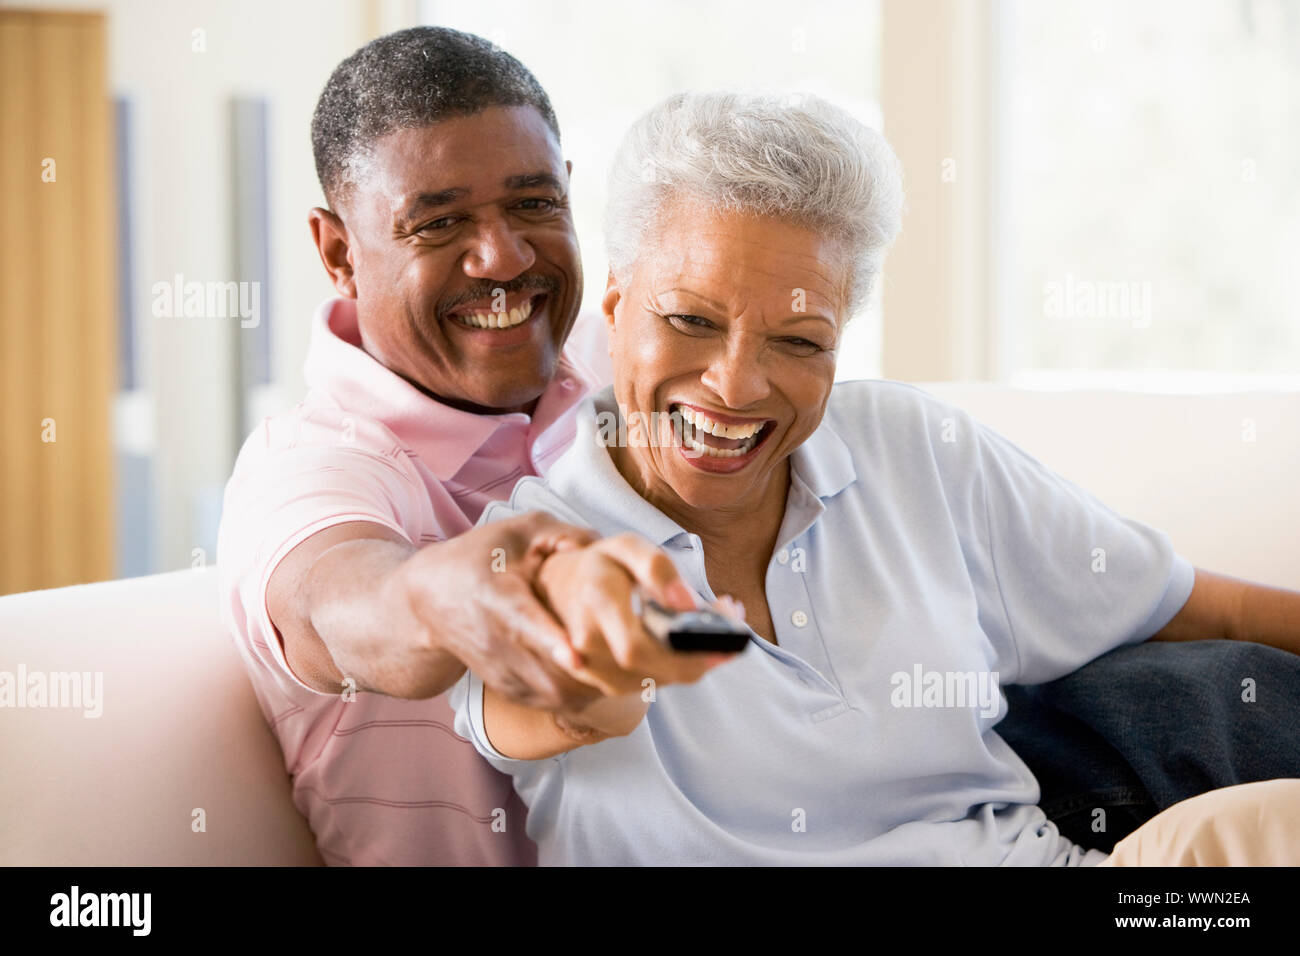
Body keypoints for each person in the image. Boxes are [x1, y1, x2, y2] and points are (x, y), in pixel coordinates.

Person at [449, 90, 1300, 865]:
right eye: (690, 320)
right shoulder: (525, 550)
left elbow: (1195, 607)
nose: (738, 385)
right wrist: (614, 659)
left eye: (799, 341)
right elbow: (553, 705)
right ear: (615, 306)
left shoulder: (908, 446)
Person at [216, 27, 715, 866]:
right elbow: (346, 605)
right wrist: (461, 594)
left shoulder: (614, 360)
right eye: (439, 223)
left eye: (534, 204)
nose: (505, 257)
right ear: (340, 252)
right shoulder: (307, 468)